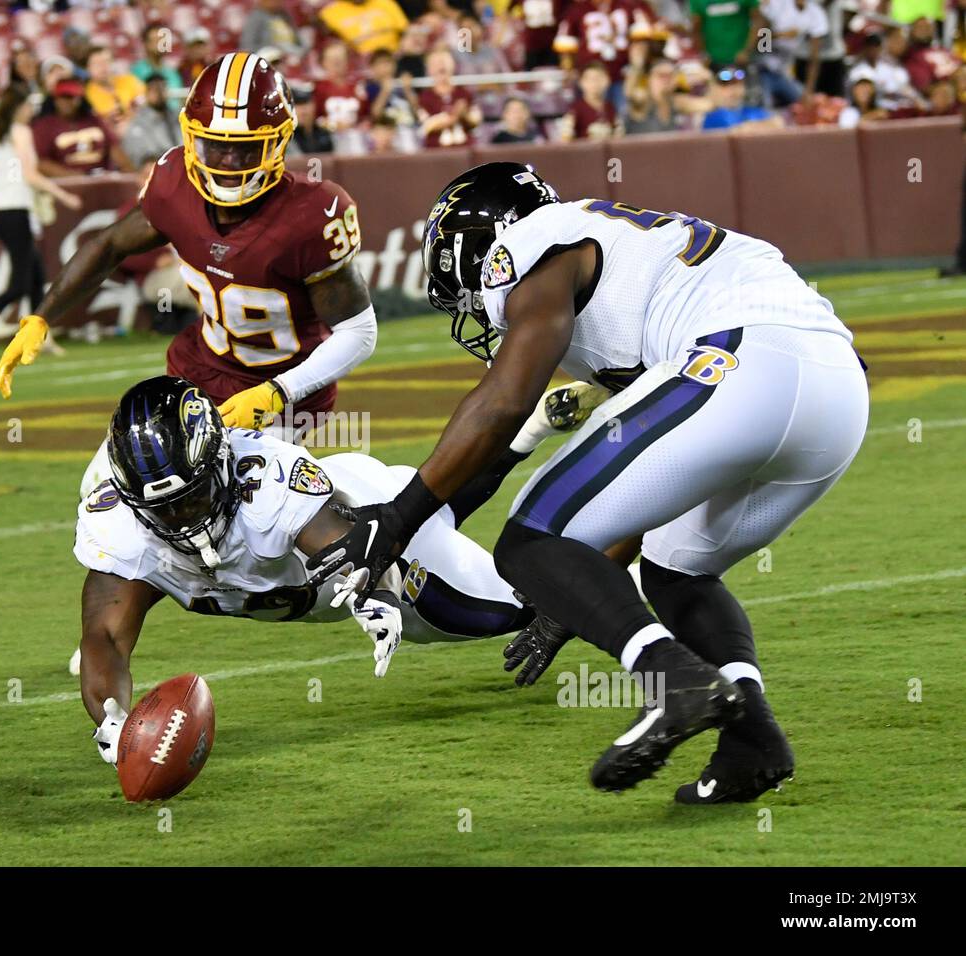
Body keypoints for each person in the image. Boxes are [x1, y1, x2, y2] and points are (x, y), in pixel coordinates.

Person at [308, 162, 868, 803]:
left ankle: (675, 684)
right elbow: (635, 486)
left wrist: (396, 518)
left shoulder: (533, 240)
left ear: (477, 237)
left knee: (527, 541)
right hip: (837, 394)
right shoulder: (621, 256)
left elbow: (503, 404)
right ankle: (754, 741)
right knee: (676, 569)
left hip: (740, 357)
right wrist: (579, 592)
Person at [74, 376, 551, 747]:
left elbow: (356, 548)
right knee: (440, 510)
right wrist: (112, 720)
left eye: (192, 498)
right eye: (163, 508)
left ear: (221, 462)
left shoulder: (266, 483)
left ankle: (612, 572)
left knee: (514, 612)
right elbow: (105, 638)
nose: (181, 519)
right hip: (346, 519)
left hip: (366, 522)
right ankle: (530, 432)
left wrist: (379, 597)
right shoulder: (119, 527)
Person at [0, 54, 378, 452]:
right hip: (201, 367)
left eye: (245, 150)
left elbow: (359, 332)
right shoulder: (175, 183)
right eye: (215, 147)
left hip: (284, 393)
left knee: (229, 500)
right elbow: (109, 245)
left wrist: (277, 392)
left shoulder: (311, 214)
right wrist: (41, 317)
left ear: (278, 142)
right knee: (119, 476)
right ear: (191, 138)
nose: (229, 164)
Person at [0, 84, 81, 352]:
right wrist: (63, 195)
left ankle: (40, 338)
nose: (31, 110)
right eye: (27, 105)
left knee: (35, 275)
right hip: (15, 209)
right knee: (21, 282)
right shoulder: (21, 132)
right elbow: (30, 174)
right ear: (19, 109)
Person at [32, 77, 120, 176]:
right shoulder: (44, 126)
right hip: (66, 183)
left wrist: (132, 175)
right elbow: (42, 163)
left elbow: (115, 149)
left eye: (73, 97)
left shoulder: (95, 120)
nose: (69, 102)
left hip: (101, 177)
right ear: (55, 99)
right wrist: (73, 176)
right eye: (64, 97)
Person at [757, 0, 828, 106]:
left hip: (783, 72)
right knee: (765, 107)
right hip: (760, 69)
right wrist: (781, 35)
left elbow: (814, 58)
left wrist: (808, 90)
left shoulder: (815, 13)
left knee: (805, 104)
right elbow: (760, 43)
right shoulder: (777, 5)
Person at [418, 47, 480, 147]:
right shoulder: (425, 97)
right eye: (436, 63)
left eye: (444, 62)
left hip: (465, 149)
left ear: (453, 65)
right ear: (429, 69)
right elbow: (426, 125)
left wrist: (464, 115)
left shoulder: (464, 93)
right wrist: (454, 116)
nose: (440, 66)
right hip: (436, 150)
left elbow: (476, 120)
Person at [121, 73, 178, 168]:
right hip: (159, 170)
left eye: (163, 88)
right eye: (154, 89)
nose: (159, 93)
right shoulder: (138, 123)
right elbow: (144, 159)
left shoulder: (178, 116)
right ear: (146, 93)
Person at [701, 66, 783, 130]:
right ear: (714, 89)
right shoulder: (713, 116)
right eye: (726, 85)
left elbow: (777, 122)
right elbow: (734, 132)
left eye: (737, 84)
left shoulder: (749, 111)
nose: (734, 89)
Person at [689, 0, 764, 69]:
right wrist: (703, 53)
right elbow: (696, 28)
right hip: (713, 59)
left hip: (742, 59)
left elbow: (759, 21)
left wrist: (747, 50)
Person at [319, 0, 410, 55]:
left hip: (393, 56)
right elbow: (328, 44)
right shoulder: (330, 12)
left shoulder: (385, 2)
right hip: (356, 62)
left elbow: (406, 30)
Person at [559, 60, 619, 140]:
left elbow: (618, 137)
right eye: (590, 79)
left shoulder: (610, 108)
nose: (594, 83)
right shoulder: (576, 109)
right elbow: (565, 138)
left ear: (607, 81)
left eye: (599, 78)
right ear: (581, 82)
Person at [84, 45, 143, 125]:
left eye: (107, 61)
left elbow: (146, 103)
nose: (103, 67)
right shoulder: (85, 96)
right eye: (97, 63)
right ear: (87, 68)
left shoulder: (130, 80)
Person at [241, 0, 305, 60]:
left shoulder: (284, 15)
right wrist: (275, 49)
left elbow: (299, 40)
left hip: (293, 56)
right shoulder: (256, 17)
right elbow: (247, 48)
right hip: (271, 59)